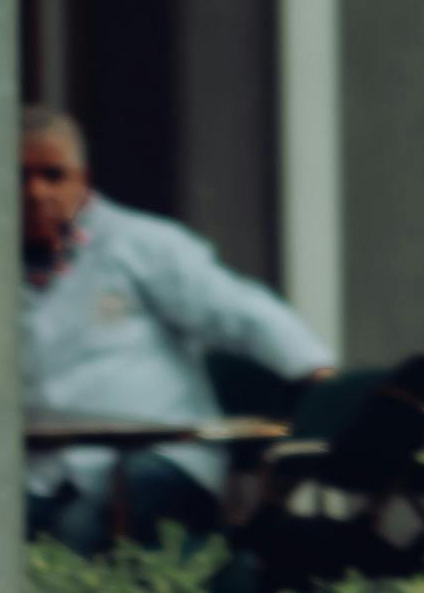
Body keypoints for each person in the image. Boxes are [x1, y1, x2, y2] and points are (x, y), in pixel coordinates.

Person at [17, 105, 323, 545]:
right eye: (19, 176)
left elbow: (232, 308)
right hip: (49, 467)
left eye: (52, 174)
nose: (35, 192)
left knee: (79, 533)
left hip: (161, 457)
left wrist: (315, 370)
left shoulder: (142, 244)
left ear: (81, 177)